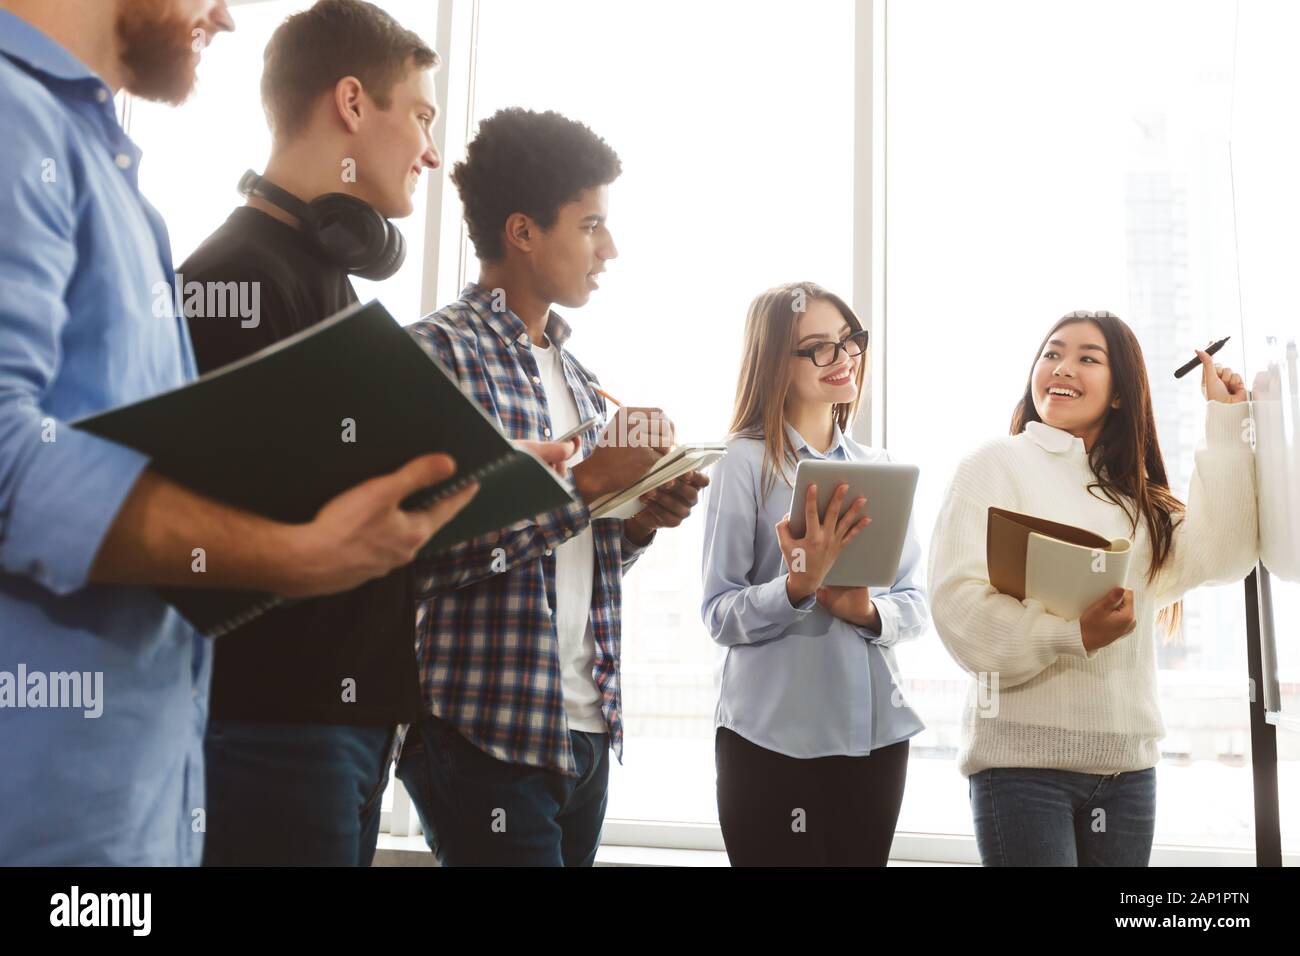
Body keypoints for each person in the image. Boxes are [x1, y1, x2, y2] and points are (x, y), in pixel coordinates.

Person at [0, 0, 474, 866]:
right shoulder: (15, 126)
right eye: (423, 116)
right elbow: (9, 462)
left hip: (140, 802)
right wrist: (290, 555)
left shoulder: (123, 198)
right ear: (352, 104)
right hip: (70, 808)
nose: (223, 14)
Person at [178, 0, 563, 867]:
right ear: (353, 105)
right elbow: (243, 525)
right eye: (421, 116)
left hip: (338, 730)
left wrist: (486, 471)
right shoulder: (233, 279)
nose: (431, 149)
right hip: (276, 731)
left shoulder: (323, 283)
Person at [398, 107, 710, 866]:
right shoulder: (433, 357)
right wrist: (587, 483)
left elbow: (566, 555)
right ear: (524, 232)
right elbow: (418, 551)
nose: (610, 249)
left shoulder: (581, 380)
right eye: (591, 225)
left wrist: (632, 527)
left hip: (584, 732)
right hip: (484, 733)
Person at [928, 310, 1258, 866]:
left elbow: (1224, 554)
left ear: (1121, 395)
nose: (1062, 367)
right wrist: (1070, 634)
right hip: (1021, 770)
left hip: (1128, 772)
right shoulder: (993, 466)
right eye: (1052, 353)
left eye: (1087, 358)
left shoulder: (1137, 501)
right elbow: (960, 614)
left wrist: (1224, 421)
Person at [699, 282, 929, 866]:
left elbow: (914, 601)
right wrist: (795, 589)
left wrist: (868, 612)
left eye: (849, 342)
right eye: (819, 347)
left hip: (874, 742)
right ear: (776, 361)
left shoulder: (878, 469)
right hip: (769, 742)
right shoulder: (743, 461)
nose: (844, 358)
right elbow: (718, 612)